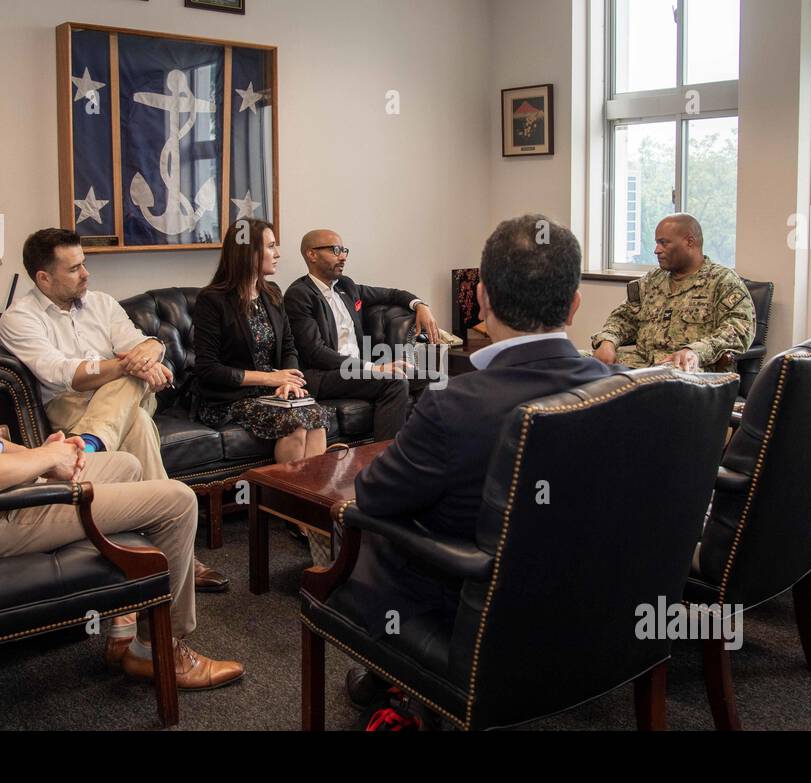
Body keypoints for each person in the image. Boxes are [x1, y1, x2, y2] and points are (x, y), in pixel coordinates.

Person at [0, 193, 242, 690]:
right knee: (178, 500)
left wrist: (44, 456)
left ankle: (125, 624)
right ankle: (163, 647)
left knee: (122, 465)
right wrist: (47, 458)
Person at [337, 214, 624, 710]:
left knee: (363, 528)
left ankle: (387, 667)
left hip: (478, 613)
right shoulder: (621, 387)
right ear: (576, 304)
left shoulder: (454, 404)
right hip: (598, 602)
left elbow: (375, 495)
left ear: (483, 299)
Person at [0, 228, 229, 593]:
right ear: (44, 277)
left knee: (130, 384)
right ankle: (173, 550)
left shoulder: (103, 304)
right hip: (69, 405)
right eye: (74, 269)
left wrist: (149, 351)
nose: (86, 274)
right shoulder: (19, 319)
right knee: (135, 417)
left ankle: (89, 445)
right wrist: (129, 366)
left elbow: (142, 344)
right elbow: (64, 374)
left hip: (125, 396)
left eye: (84, 264)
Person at [192, 219, 332, 465]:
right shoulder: (212, 300)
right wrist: (269, 378)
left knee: (317, 419)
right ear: (248, 253)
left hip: (273, 392)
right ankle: (287, 499)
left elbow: (289, 346)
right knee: (296, 424)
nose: (277, 254)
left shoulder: (273, 293)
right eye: (270, 246)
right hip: (228, 399)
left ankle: (311, 498)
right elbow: (208, 369)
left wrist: (289, 380)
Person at [284, 229, 443, 441]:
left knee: (433, 379)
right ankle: (387, 460)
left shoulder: (346, 286)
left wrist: (421, 305)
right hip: (323, 375)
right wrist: (373, 367)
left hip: (357, 371)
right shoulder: (299, 294)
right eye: (335, 250)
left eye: (344, 250)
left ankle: (424, 448)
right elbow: (315, 352)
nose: (343, 256)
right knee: (394, 381)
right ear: (312, 255)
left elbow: (392, 294)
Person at [591, 214, 754, 372]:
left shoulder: (722, 281)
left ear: (690, 242)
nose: (657, 250)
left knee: (658, 379)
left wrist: (695, 351)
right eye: (656, 243)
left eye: (664, 243)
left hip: (689, 369)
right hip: (642, 363)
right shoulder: (652, 279)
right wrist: (608, 341)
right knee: (575, 361)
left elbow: (739, 329)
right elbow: (624, 317)